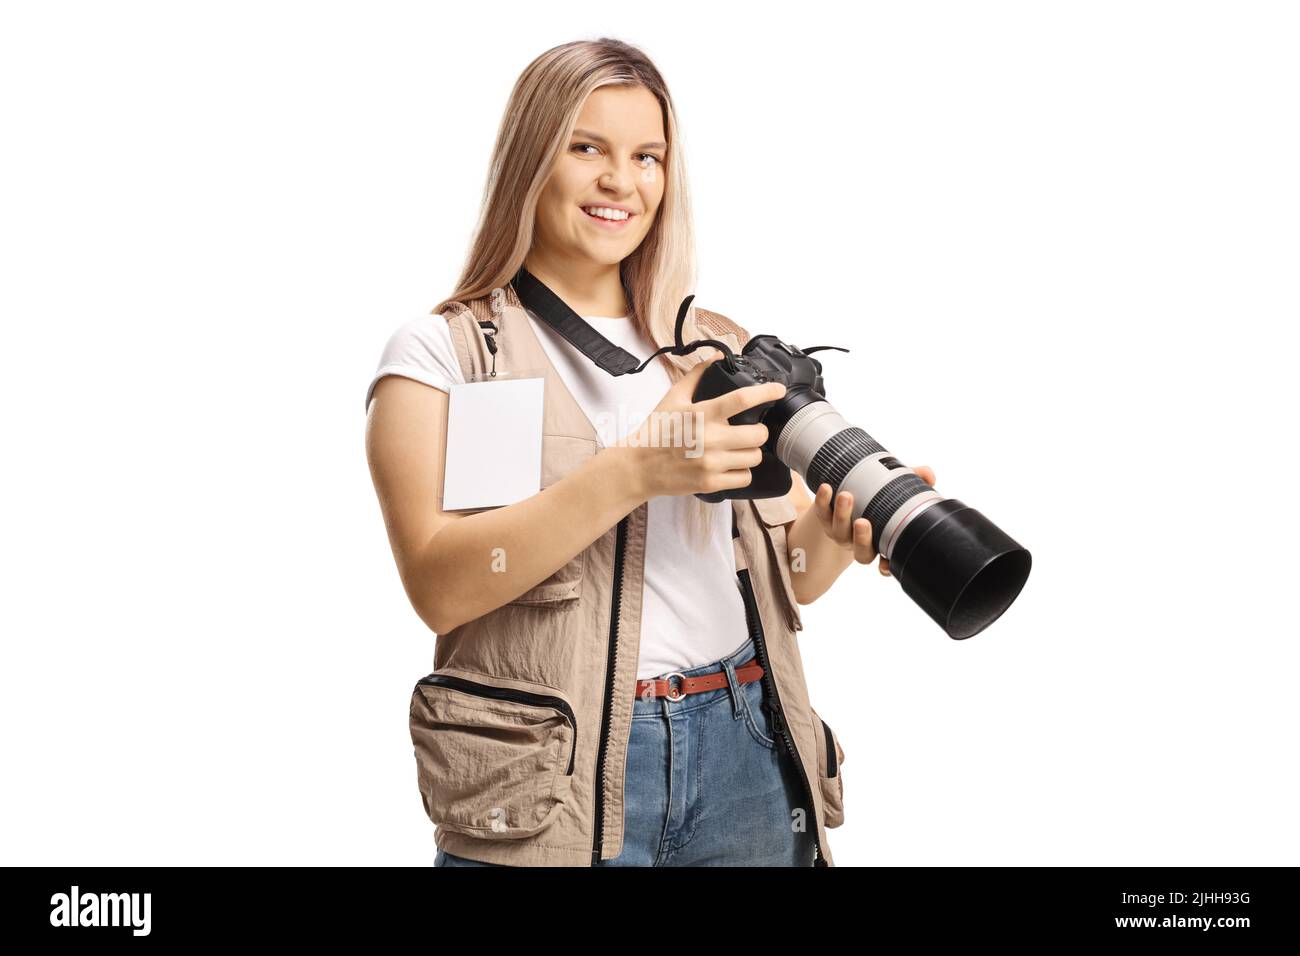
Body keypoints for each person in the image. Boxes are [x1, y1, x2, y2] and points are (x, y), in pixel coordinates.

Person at [365, 37, 936, 867]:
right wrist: (637, 470)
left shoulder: (714, 349)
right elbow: (446, 588)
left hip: (745, 741)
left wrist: (840, 534)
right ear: (532, 157)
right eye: (586, 147)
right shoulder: (456, 356)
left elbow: (790, 578)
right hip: (552, 774)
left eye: (647, 156)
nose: (620, 182)